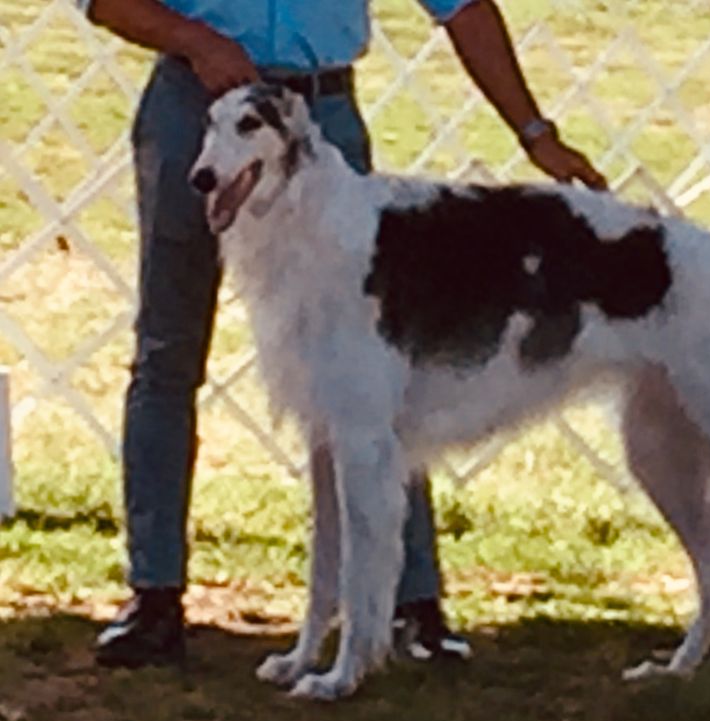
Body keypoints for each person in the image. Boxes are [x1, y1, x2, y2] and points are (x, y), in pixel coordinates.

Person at [78, 0, 607, 668]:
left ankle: (413, 606)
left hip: (322, 116)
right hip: (197, 105)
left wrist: (535, 133)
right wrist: (195, 40)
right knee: (167, 349)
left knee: (381, 377)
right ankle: (154, 596)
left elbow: (462, 6)